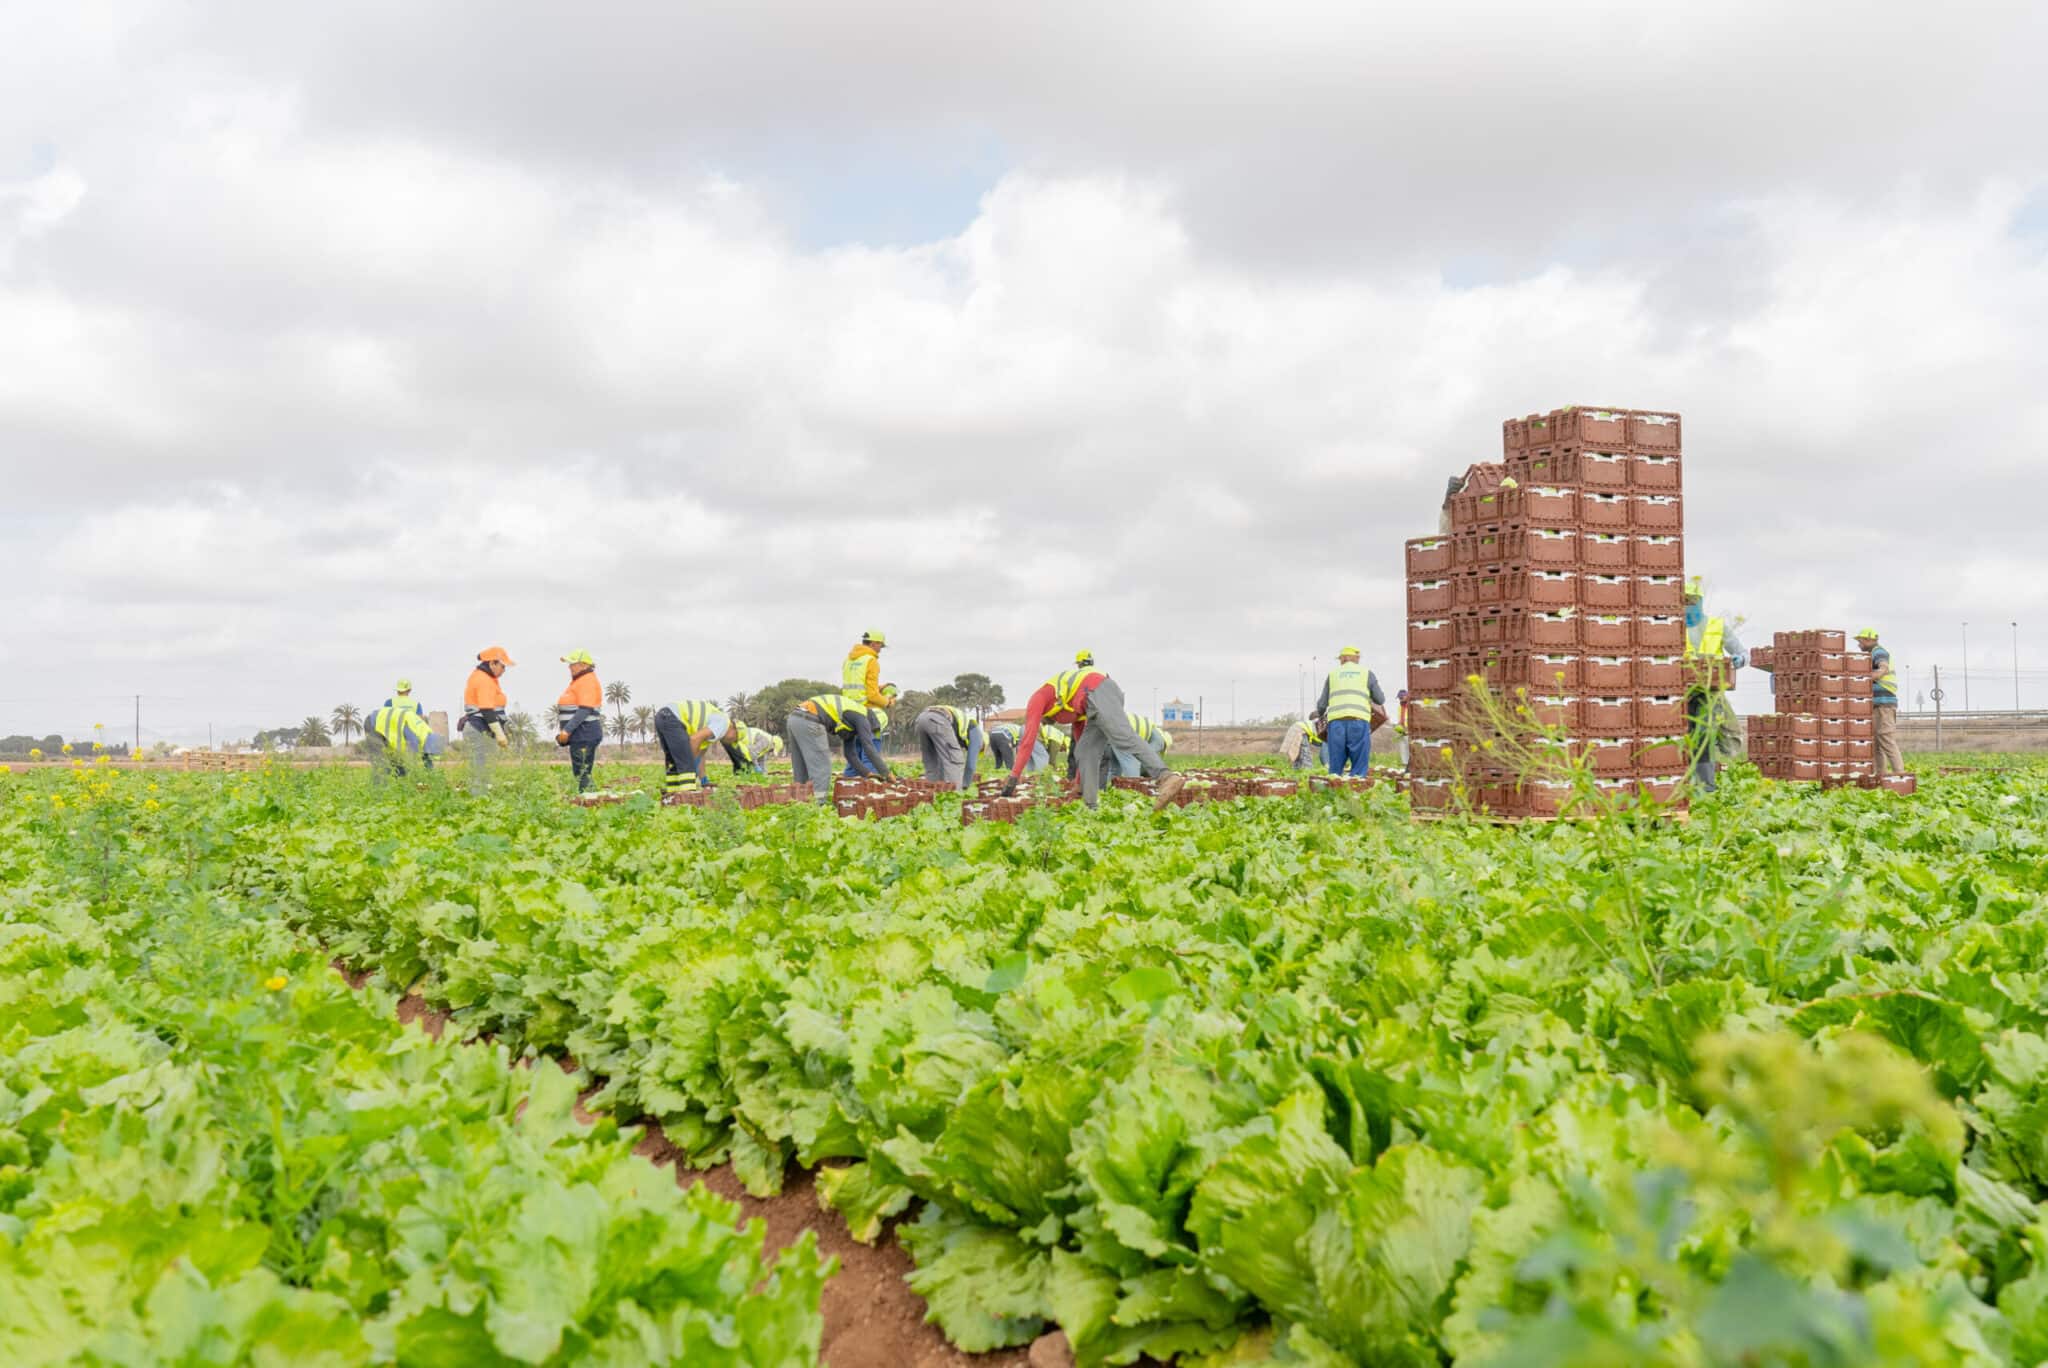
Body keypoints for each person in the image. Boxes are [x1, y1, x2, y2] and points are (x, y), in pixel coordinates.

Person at [1002, 663, 1186, 811]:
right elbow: (1081, 741)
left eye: (1043, 720)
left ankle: (1165, 776)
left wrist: (1013, 778)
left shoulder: (1038, 699)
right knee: (1085, 750)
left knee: (1122, 737)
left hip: (1098, 690)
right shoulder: (1069, 710)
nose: (1045, 723)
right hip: (1092, 702)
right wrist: (1078, 783)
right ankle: (1090, 805)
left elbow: (1027, 740)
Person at [1681, 578, 1747, 793]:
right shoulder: (1670, 627)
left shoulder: (1717, 626)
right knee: (1683, 737)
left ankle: (1706, 787)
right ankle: (1684, 784)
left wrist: (1739, 660)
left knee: (1704, 735)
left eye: (1691, 600)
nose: (1687, 604)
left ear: (1699, 601)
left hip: (1710, 692)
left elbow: (1743, 653)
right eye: (1684, 600)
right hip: (1681, 692)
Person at [786, 692, 888, 802]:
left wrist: (868, 774)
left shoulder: (849, 719)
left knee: (800, 768)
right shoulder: (861, 717)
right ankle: (818, 805)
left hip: (795, 718)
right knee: (822, 768)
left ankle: (800, 802)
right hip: (811, 720)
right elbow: (869, 748)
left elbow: (850, 755)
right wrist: (887, 774)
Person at [1313, 646, 1387, 777]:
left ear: (1342, 659)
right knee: (1359, 765)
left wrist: (1320, 715)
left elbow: (1322, 704)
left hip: (1336, 724)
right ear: (1357, 658)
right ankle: (1356, 791)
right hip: (1358, 722)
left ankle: (1335, 791)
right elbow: (1380, 699)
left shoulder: (1333, 675)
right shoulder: (1366, 673)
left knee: (1335, 766)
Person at [653, 699, 744, 794]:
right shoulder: (723, 723)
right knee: (686, 764)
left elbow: (700, 755)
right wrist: (690, 766)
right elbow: (694, 739)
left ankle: (673, 795)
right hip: (672, 717)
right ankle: (687, 798)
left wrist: (703, 778)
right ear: (734, 730)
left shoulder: (711, 731)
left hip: (663, 716)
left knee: (674, 762)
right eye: (735, 739)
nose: (731, 742)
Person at [459, 647, 514, 792]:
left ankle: (483, 801)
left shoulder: (488, 678)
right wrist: (500, 734)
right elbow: (486, 709)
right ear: (492, 664)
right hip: (478, 729)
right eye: (503, 666)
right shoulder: (483, 679)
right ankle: (478, 804)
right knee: (479, 770)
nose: (504, 670)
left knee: (485, 769)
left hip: (482, 730)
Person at [555, 650, 606, 793]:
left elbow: (585, 709)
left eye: (572, 664)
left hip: (585, 733)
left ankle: (590, 801)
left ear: (584, 665)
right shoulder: (579, 681)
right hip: (581, 735)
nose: (569, 667)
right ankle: (590, 799)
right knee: (581, 771)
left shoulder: (587, 680)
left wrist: (567, 730)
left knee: (582, 772)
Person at [1857, 627, 1902, 774]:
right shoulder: (1871, 655)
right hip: (1876, 704)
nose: (1859, 644)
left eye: (1861, 640)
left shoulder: (1879, 652)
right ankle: (1880, 776)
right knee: (1875, 742)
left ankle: (1900, 775)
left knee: (1886, 738)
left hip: (1885, 703)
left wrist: (1864, 678)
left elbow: (1883, 668)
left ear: (1869, 640)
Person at [366, 700, 446, 779]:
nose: (429, 754)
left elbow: (427, 759)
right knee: (381, 764)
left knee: (398, 764)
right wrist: (417, 781)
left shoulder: (427, 735)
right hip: (374, 722)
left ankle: (399, 784)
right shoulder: (415, 738)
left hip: (385, 727)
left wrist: (432, 778)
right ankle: (379, 790)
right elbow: (411, 763)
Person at [915, 703, 985, 788]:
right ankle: (954, 794)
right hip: (938, 719)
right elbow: (970, 764)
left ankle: (932, 792)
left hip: (921, 719)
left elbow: (944, 755)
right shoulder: (978, 736)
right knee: (956, 760)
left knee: (932, 761)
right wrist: (965, 784)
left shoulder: (963, 732)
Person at [842, 684, 897, 777]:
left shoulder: (863, 709)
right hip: (871, 737)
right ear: (887, 697)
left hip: (855, 735)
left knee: (854, 762)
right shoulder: (880, 714)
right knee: (869, 759)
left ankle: (848, 784)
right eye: (894, 697)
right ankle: (870, 785)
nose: (894, 701)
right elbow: (873, 733)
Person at [841, 630, 891, 711]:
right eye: (880, 646)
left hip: (846, 708)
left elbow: (857, 689)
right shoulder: (871, 661)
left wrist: (879, 688)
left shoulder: (847, 660)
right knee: (882, 718)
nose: (880, 650)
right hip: (863, 709)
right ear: (873, 644)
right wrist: (888, 702)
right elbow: (872, 696)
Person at [1396, 690, 1412, 769]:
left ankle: (1411, 765)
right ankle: (1405, 765)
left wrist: (1409, 729)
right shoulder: (1400, 707)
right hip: (1403, 731)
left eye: (1401, 697)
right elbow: (1400, 719)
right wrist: (1399, 727)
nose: (1400, 699)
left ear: (1406, 696)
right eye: (1399, 698)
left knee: (1410, 749)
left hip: (1410, 731)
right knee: (1403, 747)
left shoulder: (1411, 706)